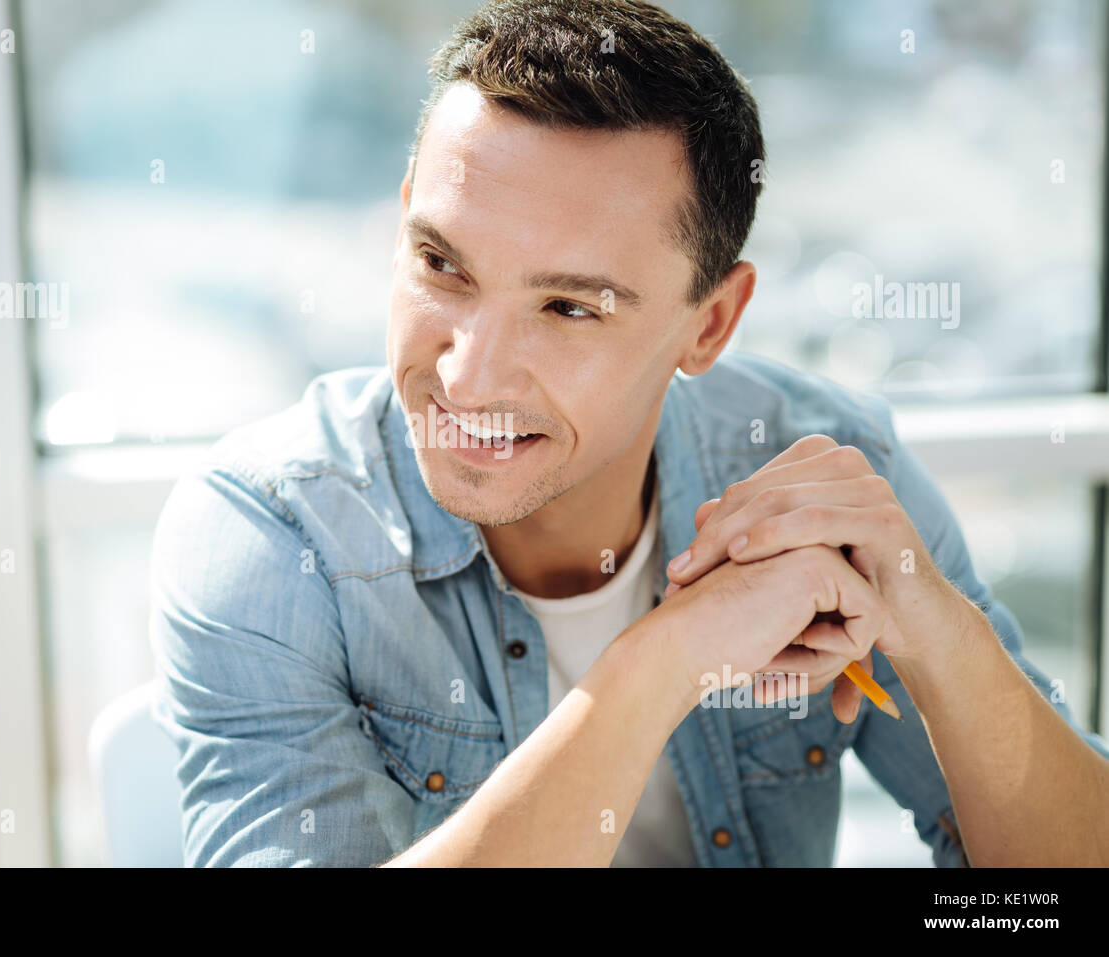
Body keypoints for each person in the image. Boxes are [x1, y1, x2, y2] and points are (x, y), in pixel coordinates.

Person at [148, 0, 1109, 866]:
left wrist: (942, 636)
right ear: (403, 222)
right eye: (442, 264)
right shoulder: (275, 533)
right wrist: (662, 660)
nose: (466, 376)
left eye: (568, 308)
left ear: (710, 324)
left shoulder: (826, 477)